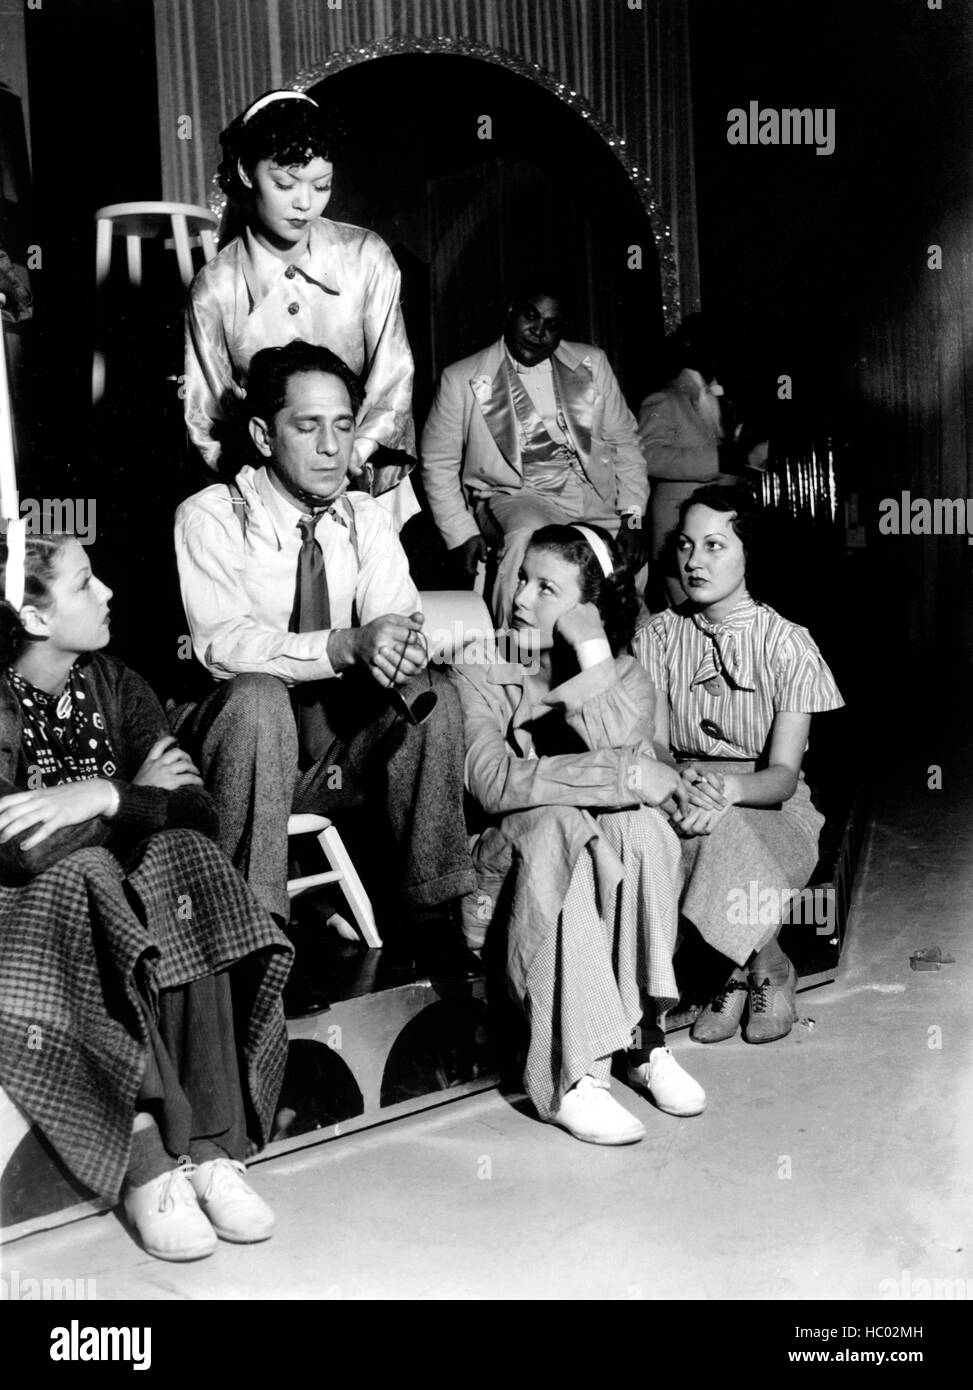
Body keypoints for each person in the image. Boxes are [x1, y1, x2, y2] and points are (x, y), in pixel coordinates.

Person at [0, 529, 293, 1262]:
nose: (108, 593)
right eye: (84, 583)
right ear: (35, 618)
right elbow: (19, 848)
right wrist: (130, 803)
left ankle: (215, 1148)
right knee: (91, 874)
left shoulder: (117, 683)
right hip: (23, 918)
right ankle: (146, 1162)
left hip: (117, 894)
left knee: (180, 856)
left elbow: (198, 809)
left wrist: (98, 795)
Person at [174, 340, 478, 978]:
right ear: (262, 434)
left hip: (330, 758)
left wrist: (400, 650)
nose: (331, 448)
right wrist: (344, 645)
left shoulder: (366, 518)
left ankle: (432, 917)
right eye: (307, 427)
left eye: (343, 427)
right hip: (236, 758)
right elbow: (222, 648)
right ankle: (254, 938)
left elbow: (398, 623)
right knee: (256, 695)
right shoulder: (211, 517)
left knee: (433, 692)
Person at [452, 522, 706, 1144]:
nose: (518, 599)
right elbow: (490, 782)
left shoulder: (625, 674)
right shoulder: (480, 664)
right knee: (564, 824)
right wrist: (620, 773)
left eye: (546, 588)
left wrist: (593, 655)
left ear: (590, 605)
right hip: (503, 873)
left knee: (643, 828)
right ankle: (568, 1075)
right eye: (522, 579)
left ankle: (641, 1038)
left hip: (592, 874)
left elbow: (638, 778)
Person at [632, 483, 844, 1044]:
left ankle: (753, 969)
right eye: (684, 545)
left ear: (750, 552)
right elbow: (652, 745)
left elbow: (781, 778)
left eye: (714, 545)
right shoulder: (654, 637)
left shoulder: (789, 644)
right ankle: (760, 963)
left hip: (771, 807)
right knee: (649, 829)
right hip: (682, 789)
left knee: (717, 829)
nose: (694, 561)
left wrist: (722, 790)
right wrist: (680, 783)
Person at [183, 89, 418, 528]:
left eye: (322, 184)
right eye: (285, 184)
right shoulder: (214, 289)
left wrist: (353, 455)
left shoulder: (367, 258)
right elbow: (208, 416)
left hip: (362, 484)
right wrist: (266, 487)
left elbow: (394, 378)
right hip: (268, 503)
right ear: (245, 172)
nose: (304, 203)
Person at [421, 281, 649, 624]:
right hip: (517, 496)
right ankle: (514, 663)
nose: (538, 331)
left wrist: (633, 521)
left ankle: (615, 665)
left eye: (552, 324)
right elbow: (438, 465)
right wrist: (461, 533)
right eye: (530, 316)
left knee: (626, 575)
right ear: (511, 311)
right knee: (527, 542)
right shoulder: (461, 378)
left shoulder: (593, 363)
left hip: (593, 498)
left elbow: (626, 443)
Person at [637, 315, 764, 607]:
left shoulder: (723, 400)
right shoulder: (664, 398)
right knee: (688, 627)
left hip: (722, 533)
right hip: (678, 533)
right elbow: (645, 456)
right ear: (689, 347)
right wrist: (719, 459)